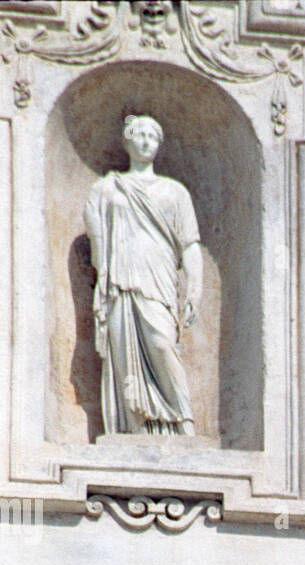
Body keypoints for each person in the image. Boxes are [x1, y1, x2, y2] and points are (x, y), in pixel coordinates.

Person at [84, 114, 202, 436]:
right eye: (140, 134)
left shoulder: (174, 192)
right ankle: (134, 430)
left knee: (161, 343)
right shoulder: (107, 188)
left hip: (159, 279)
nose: (147, 141)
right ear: (127, 141)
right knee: (124, 355)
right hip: (121, 281)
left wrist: (195, 288)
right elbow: (96, 235)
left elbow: (190, 244)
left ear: (159, 144)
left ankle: (183, 420)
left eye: (153, 135)